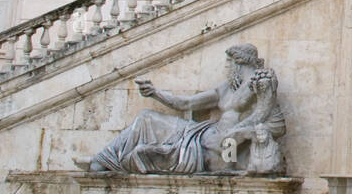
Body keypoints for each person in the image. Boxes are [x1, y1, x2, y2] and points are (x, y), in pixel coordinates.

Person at [89, 43, 285, 175]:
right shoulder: (225, 88)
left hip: (220, 148)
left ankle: (111, 160)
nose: (227, 67)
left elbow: (263, 115)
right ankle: (105, 158)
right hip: (204, 134)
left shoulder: (261, 82)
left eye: (229, 62)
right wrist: (155, 93)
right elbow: (187, 104)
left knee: (147, 149)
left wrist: (234, 134)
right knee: (146, 117)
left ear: (239, 62)